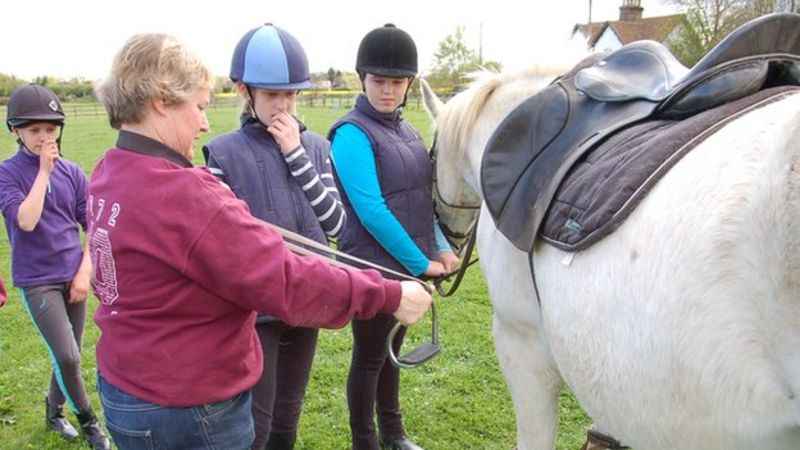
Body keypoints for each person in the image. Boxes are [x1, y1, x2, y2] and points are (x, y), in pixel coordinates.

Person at [89, 33, 432, 450]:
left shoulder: (111, 171)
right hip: (187, 405)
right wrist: (388, 294)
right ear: (161, 99)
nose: (204, 122)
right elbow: (281, 275)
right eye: (198, 106)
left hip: (128, 388)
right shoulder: (181, 193)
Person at [203, 23, 345, 450]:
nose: (283, 105)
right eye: (271, 95)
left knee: (289, 416)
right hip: (255, 312)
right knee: (257, 423)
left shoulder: (317, 147)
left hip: (309, 299)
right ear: (245, 91)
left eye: (291, 94)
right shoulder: (223, 152)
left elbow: (336, 225)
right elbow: (222, 242)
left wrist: (296, 156)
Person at [328, 24, 459, 450]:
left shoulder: (409, 132)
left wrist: (439, 243)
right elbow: (372, 211)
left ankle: (394, 434)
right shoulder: (351, 133)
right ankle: (365, 441)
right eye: (379, 81)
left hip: (409, 266)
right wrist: (421, 263)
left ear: (408, 84)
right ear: (362, 79)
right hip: (372, 266)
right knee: (368, 359)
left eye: (397, 82)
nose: (388, 90)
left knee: (392, 352)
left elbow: (422, 199)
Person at [0, 84, 111, 450]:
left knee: (69, 353)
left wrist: (84, 273)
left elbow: (92, 226)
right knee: (66, 354)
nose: (44, 138)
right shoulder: (7, 174)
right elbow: (26, 221)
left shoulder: (75, 173)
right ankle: (90, 424)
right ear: (15, 130)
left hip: (73, 275)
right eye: (34, 131)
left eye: (50, 129)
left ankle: (53, 410)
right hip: (37, 281)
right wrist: (43, 172)